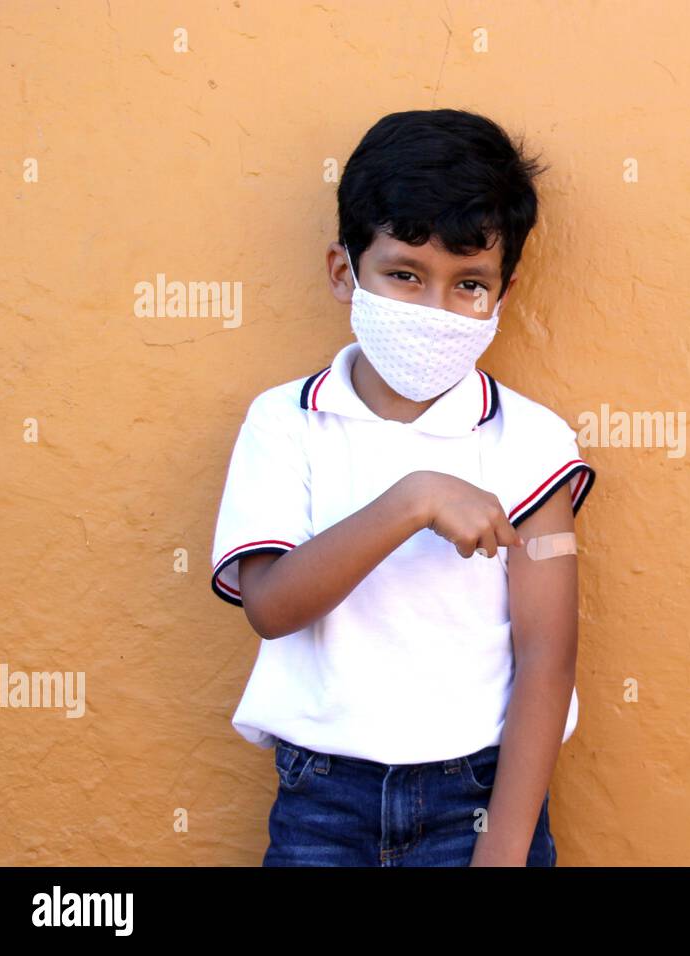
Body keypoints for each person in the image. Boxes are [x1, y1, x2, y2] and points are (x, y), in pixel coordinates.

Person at [208, 109, 596, 866]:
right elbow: (272, 607)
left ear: (504, 294)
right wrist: (410, 500)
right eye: (405, 274)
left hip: (477, 802)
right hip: (323, 802)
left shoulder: (531, 442)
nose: (434, 309)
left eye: (469, 285)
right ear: (344, 270)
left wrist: (506, 848)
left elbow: (547, 656)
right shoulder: (285, 424)